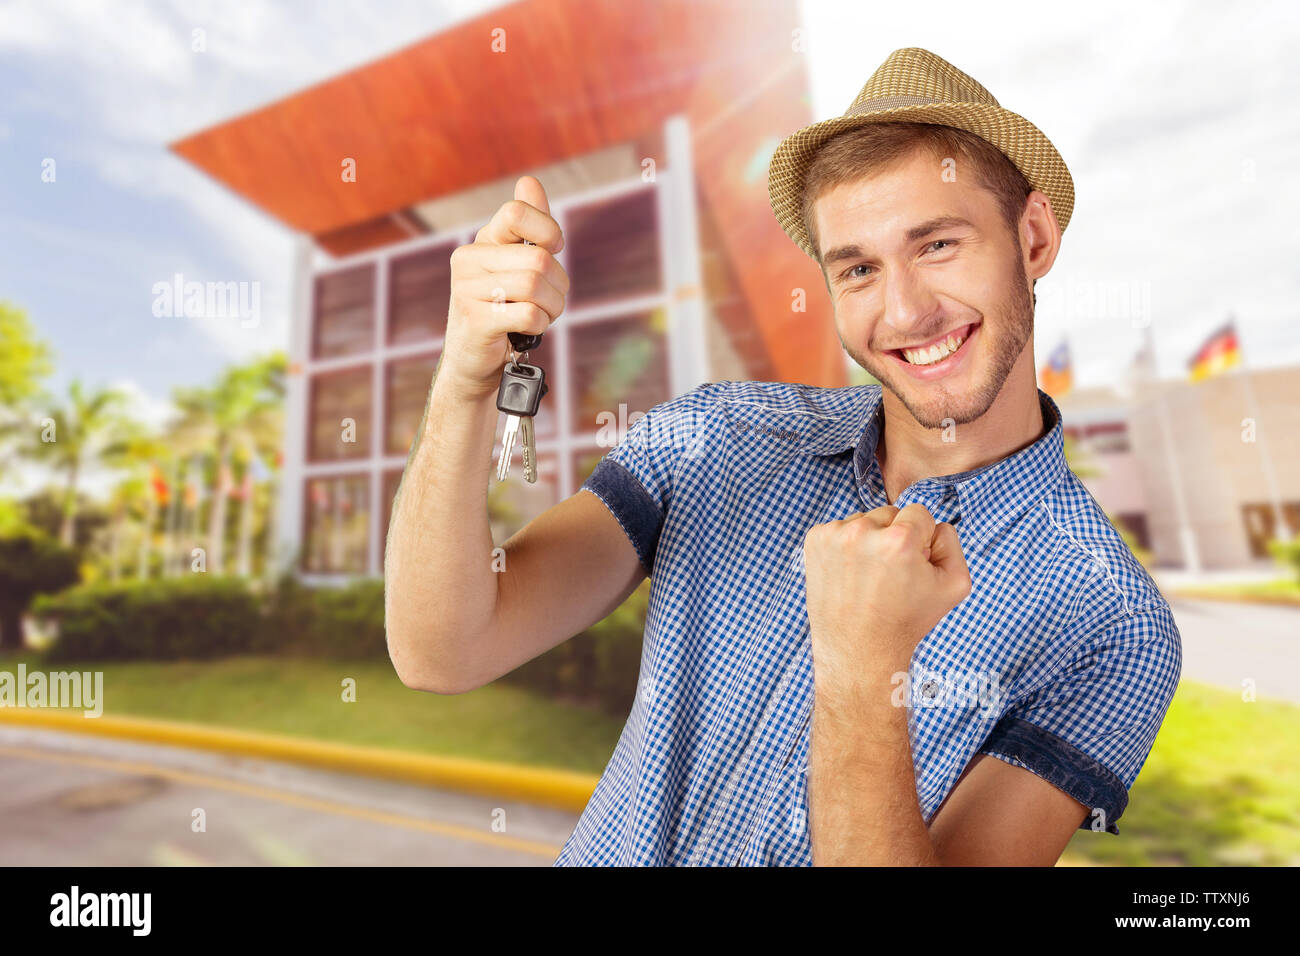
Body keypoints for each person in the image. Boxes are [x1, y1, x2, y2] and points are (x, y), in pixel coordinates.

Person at [384, 47, 1181, 866]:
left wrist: (863, 666)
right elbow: (442, 651)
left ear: (1035, 238)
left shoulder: (1112, 624)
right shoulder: (714, 436)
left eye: (939, 245)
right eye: (860, 268)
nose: (904, 310)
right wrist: (464, 378)